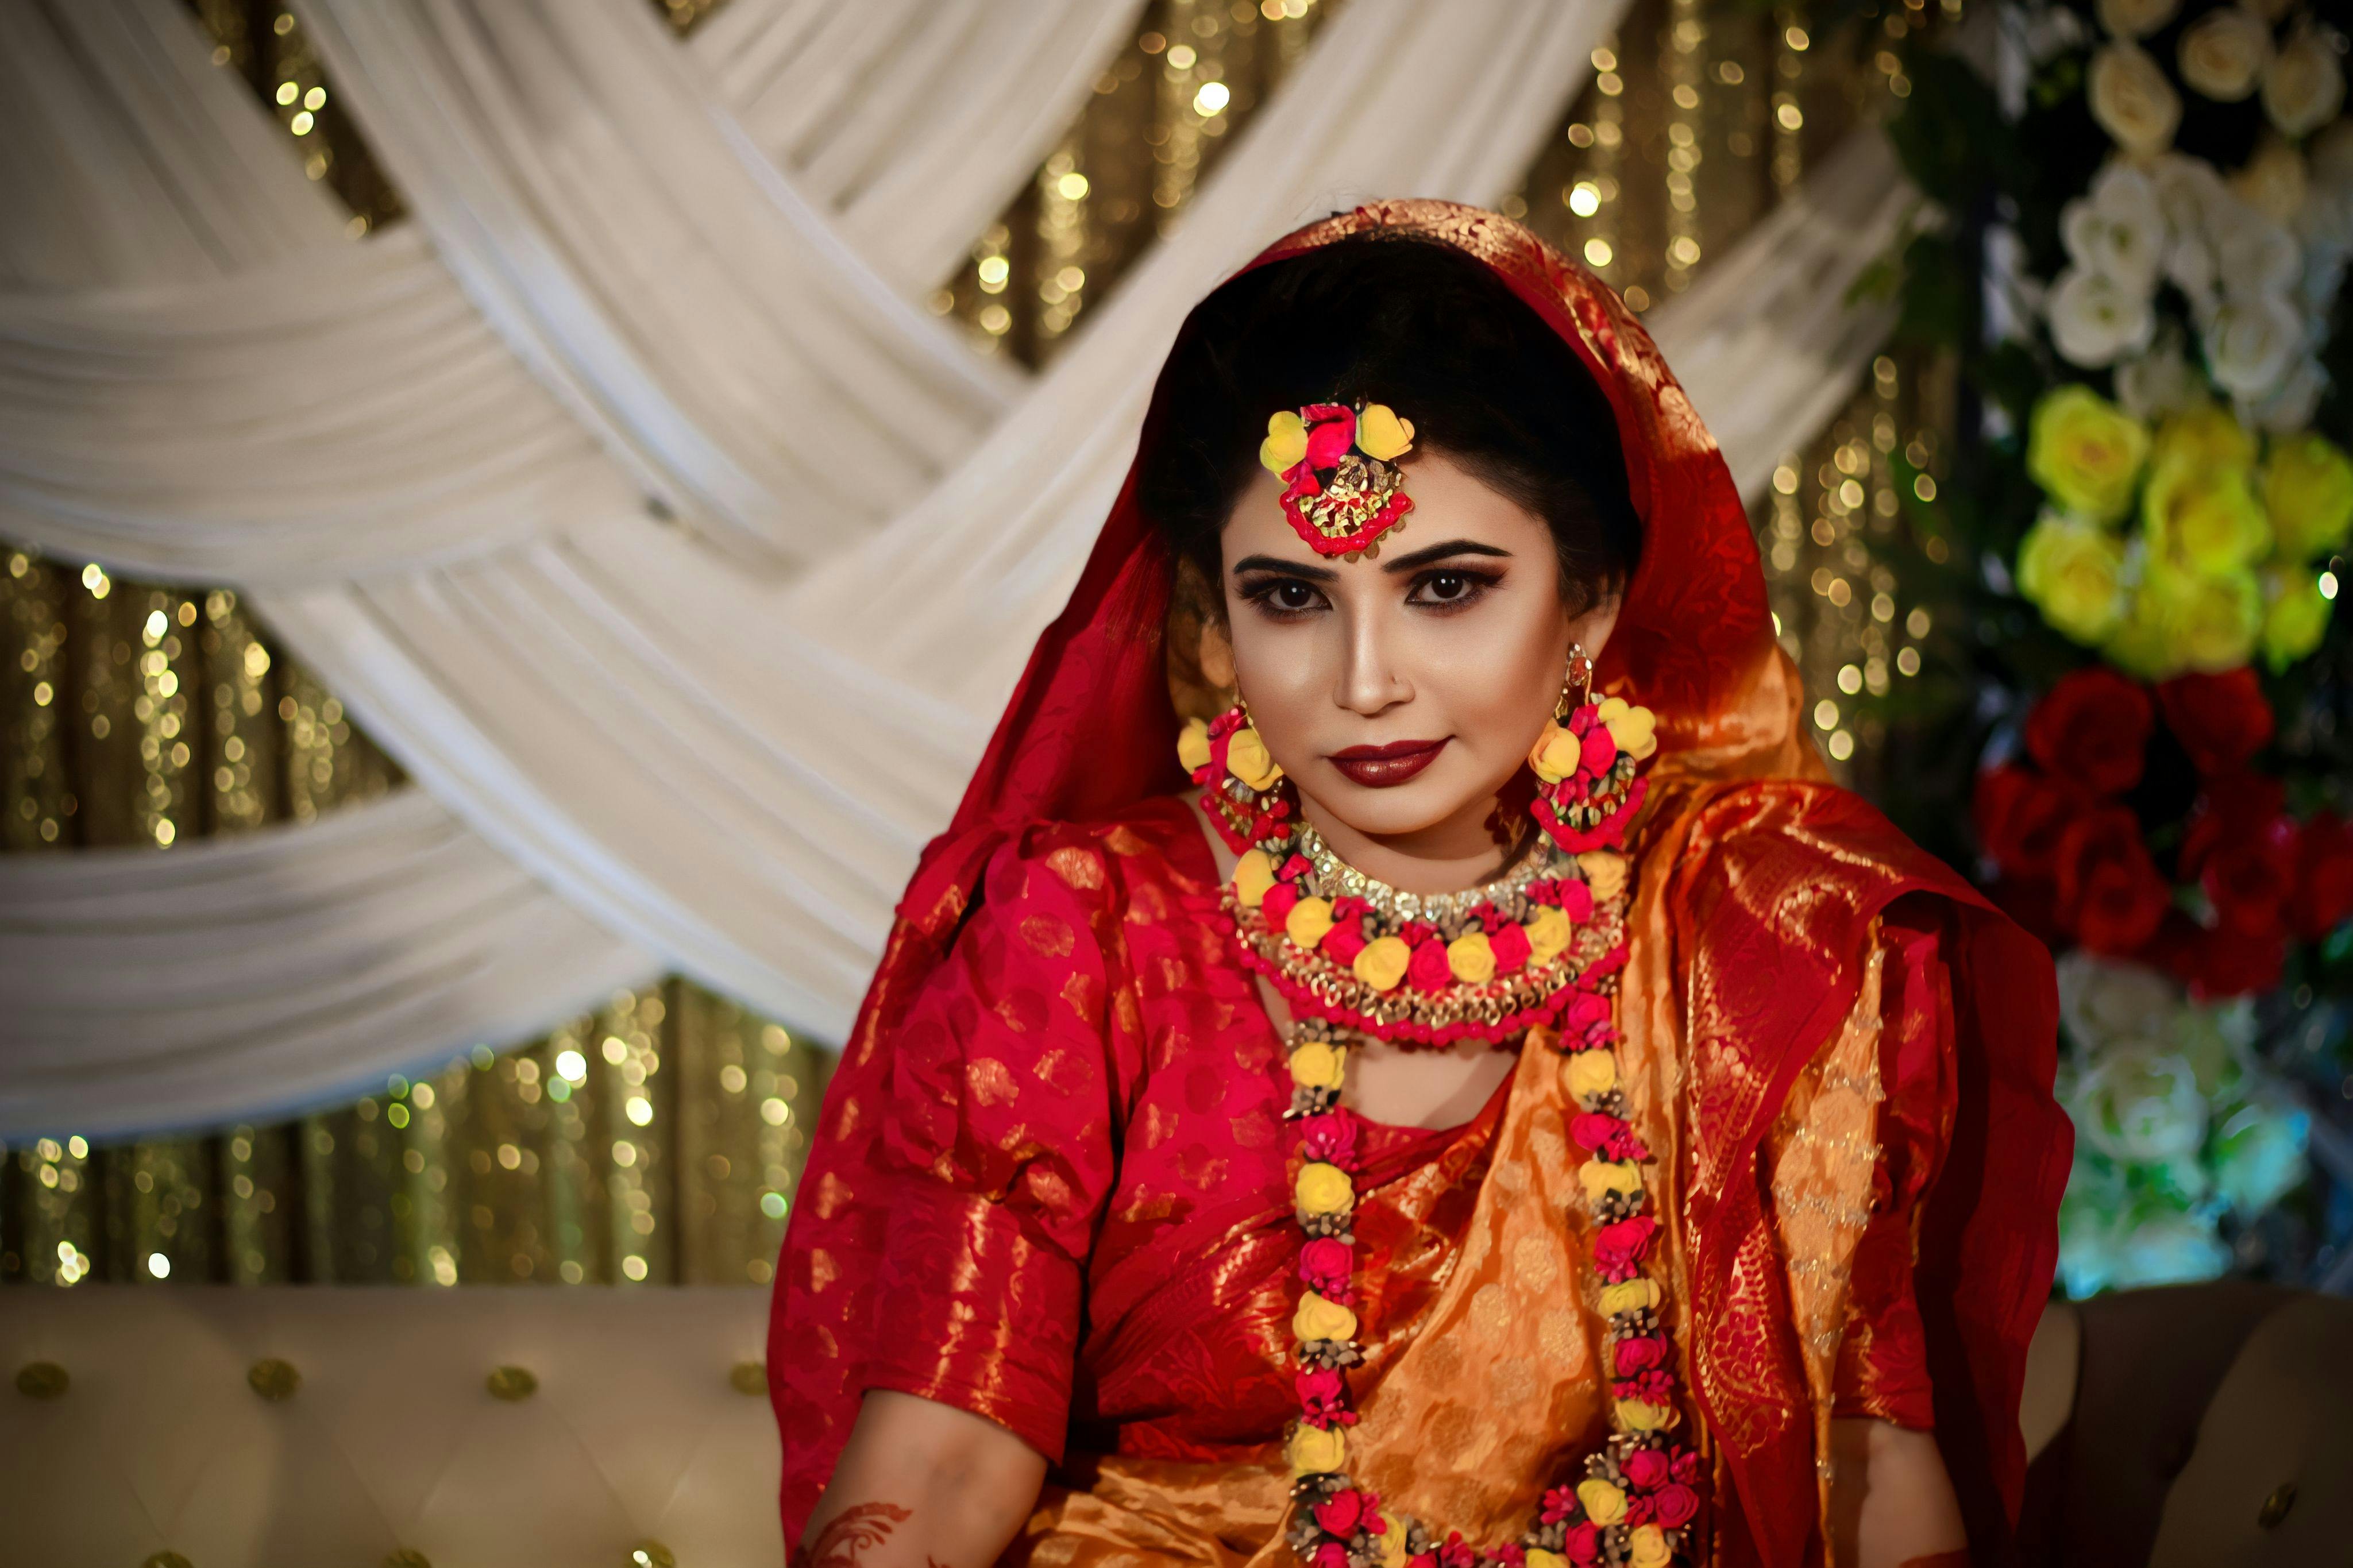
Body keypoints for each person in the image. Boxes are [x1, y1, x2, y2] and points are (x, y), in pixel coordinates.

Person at [766, 202, 2069, 1567]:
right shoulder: (1083, 935)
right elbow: (942, 1454)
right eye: (1289, 598)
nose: (1364, 679)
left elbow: (1863, 1466)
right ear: (1208, 631)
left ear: (1591, 603)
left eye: (1444, 588)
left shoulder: (1758, 935)